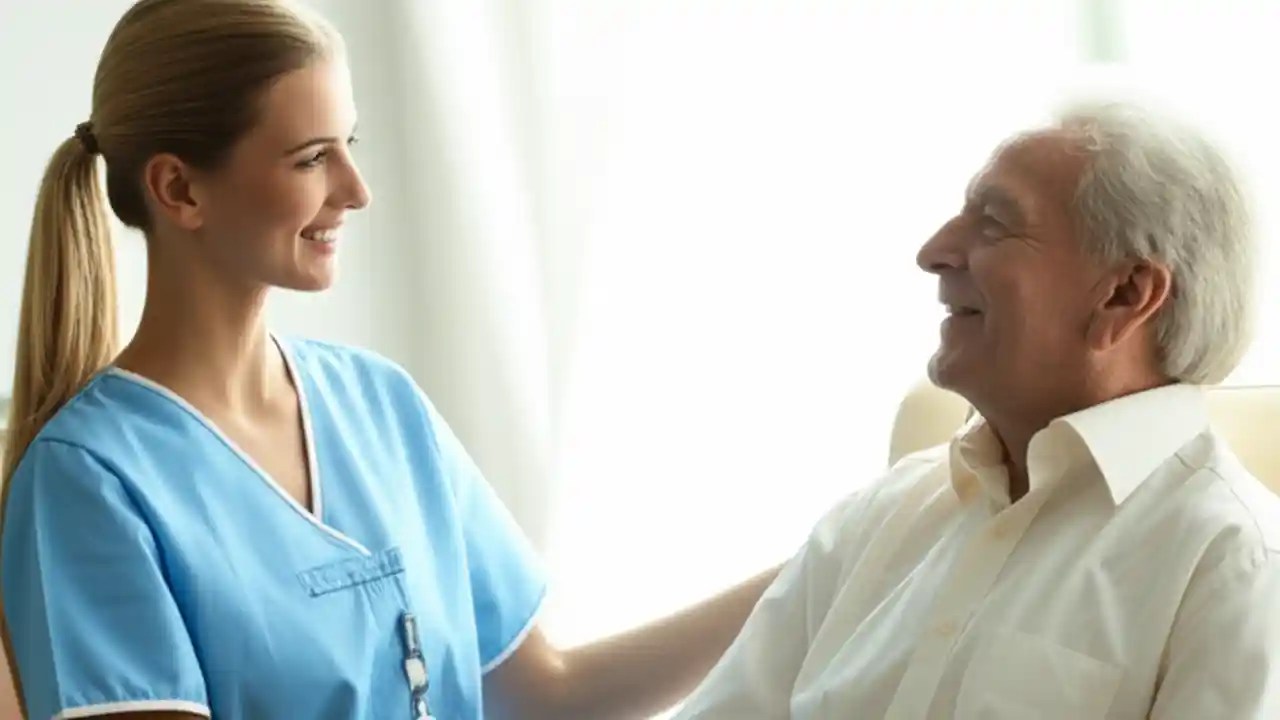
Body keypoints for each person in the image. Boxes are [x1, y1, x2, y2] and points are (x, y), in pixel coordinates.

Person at [0, 2, 778, 719]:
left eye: (351, 145)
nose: (356, 189)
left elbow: (544, 695)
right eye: (312, 158)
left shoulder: (382, 405)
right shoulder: (88, 480)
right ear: (179, 189)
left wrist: (819, 571)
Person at [674, 103, 1280, 719]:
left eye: (994, 225)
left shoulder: (1237, 564)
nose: (932, 252)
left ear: (1125, 295)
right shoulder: (880, 515)